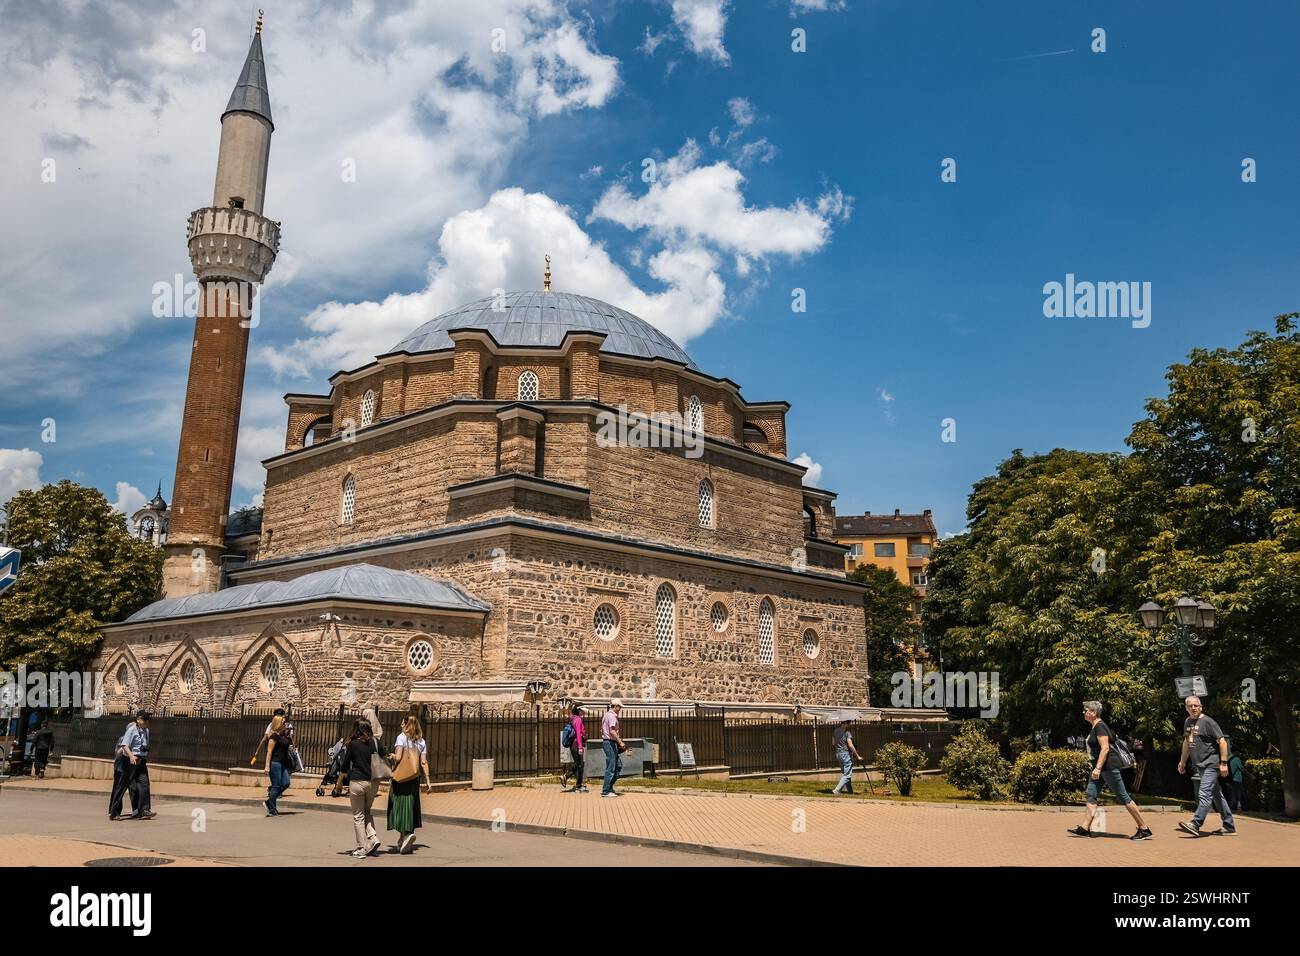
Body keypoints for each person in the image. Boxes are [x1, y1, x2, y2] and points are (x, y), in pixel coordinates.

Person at [1067, 701, 1151, 840]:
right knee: (1091, 794)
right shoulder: (1095, 726)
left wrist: (1098, 768)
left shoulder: (1100, 727)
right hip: (1100, 768)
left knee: (1123, 797)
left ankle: (1144, 828)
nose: (1084, 712)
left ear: (1094, 713)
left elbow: (1105, 748)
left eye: (1086, 710)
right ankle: (1084, 828)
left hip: (1108, 767)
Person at [1178, 696, 1236, 836]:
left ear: (1201, 707)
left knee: (1204, 793)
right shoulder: (1188, 722)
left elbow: (1222, 742)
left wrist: (1223, 763)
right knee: (1217, 795)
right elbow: (1188, 742)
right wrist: (1183, 761)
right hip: (1200, 765)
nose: (1193, 708)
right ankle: (1229, 826)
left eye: (1196, 706)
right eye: (1190, 706)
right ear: (1186, 708)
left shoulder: (1208, 722)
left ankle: (1196, 823)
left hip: (1211, 763)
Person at [337, 717, 383, 858]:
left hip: (357, 782)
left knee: (358, 816)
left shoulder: (353, 744)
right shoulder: (375, 742)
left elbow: (344, 766)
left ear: (356, 729)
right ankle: (373, 837)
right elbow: (383, 756)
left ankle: (361, 848)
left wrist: (339, 783)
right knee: (366, 811)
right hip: (373, 783)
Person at [387, 715, 432, 854]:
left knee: (398, 805)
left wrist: (391, 756)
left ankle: (405, 835)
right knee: (411, 805)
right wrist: (428, 781)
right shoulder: (421, 741)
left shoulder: (401, 738)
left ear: (406, 725)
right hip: (413, 779)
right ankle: (404, 837)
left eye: (402, 723)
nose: (400, 725)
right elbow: (423, 762)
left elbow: (399, 757)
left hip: (401, 779)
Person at [118, 712, 154, 821]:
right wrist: (131, 756)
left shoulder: (146, 731)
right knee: (130, 786)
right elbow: (124, 745)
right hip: (132, 760)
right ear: (138, 720)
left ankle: (144, 810)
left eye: (147, 720)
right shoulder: (131, 730)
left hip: (142, 760)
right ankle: (116, 811)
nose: (147, 722)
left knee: (144, 784)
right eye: (145, 720)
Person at [263, 715, 292, 817]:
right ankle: (272, 809)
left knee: (286, 783)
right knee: (276, 785)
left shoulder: (283, 736)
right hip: (275, 763)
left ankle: (269, 801)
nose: (285, 724)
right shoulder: (273, 736)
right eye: (283, 723)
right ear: (279, 724)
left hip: (283, 763)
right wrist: (267, 766)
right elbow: (269, 752)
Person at [831, 717, 863, 795]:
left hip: (838, 754)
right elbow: (850, 745)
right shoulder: (847, 732)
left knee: (846, 774)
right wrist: (857, 756)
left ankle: (850, 792)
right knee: (847, 775)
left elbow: (833, 743)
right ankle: (837, 790)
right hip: (845, 754)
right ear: (845, 723)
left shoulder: (835, 731)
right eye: (849, 723)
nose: (850, 725)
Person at [600, 699, 625, 798]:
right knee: (611, 766)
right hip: (610, 742)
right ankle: (606, 790)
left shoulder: (606, 715)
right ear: (615, 706)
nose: (620, 709)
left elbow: (602, 729)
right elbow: (612, 731)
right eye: (619, 707)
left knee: (618, 765)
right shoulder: (611, 716)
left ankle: (609, 787)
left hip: (608, 742)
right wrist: (620, 741)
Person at [560, 705, 587, 793]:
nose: (583, 712)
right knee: (580, 765)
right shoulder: (578, 720)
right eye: (582, 710)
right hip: (576, 744)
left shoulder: (574, 719)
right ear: (579, 711)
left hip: (573, 744)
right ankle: (578, 786)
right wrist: (580, 747)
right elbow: (578, 734)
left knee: (579, 763)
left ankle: (566, 777)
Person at [1225, 742, 1247, 812]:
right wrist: (1250, 776)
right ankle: (1233, 808)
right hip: (1237, 779)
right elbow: (1242, 769)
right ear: (1236, 752)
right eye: (1239, 752)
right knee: (1237, 795)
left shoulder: (1229, 759)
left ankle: (1240, 807)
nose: (1239, 753)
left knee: (1234, 794)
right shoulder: (1237, 759)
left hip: (1231, 779)